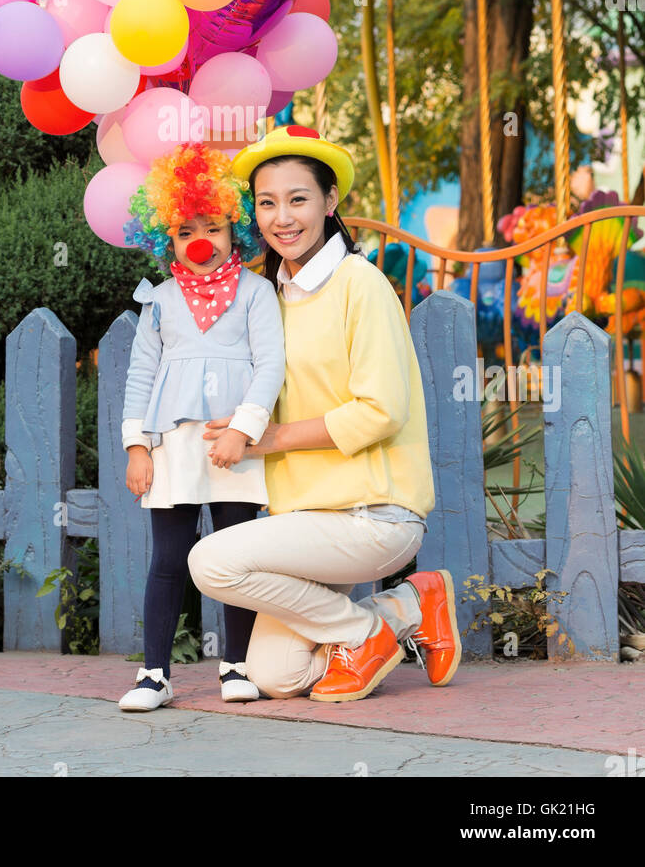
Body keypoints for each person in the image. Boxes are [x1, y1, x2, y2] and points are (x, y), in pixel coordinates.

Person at [188, 124, 461, 703]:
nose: (281, 217)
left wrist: (268, 438)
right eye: (266, 203)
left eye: (298, 199)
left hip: (374, 515)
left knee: (210, 561)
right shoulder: (265, 299)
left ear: (330, 202)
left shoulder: (358, 284)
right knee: (278, 676)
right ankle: (411, 604)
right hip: (307, 522)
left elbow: (381, 411)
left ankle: (366, 633)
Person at [118, 142, 286, 712]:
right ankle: (154, 674)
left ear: (233, 230)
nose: (201, 240)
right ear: (166, 236)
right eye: (187, 227)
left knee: (236, 556)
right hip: (172, 446)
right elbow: (140, 374)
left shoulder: (258, 293)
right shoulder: (159, 300)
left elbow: (271, 366)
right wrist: (137, 445)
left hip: (234, 444)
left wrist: (244, 428)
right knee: (169, 559)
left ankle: (236, 664)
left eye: (213, 226)